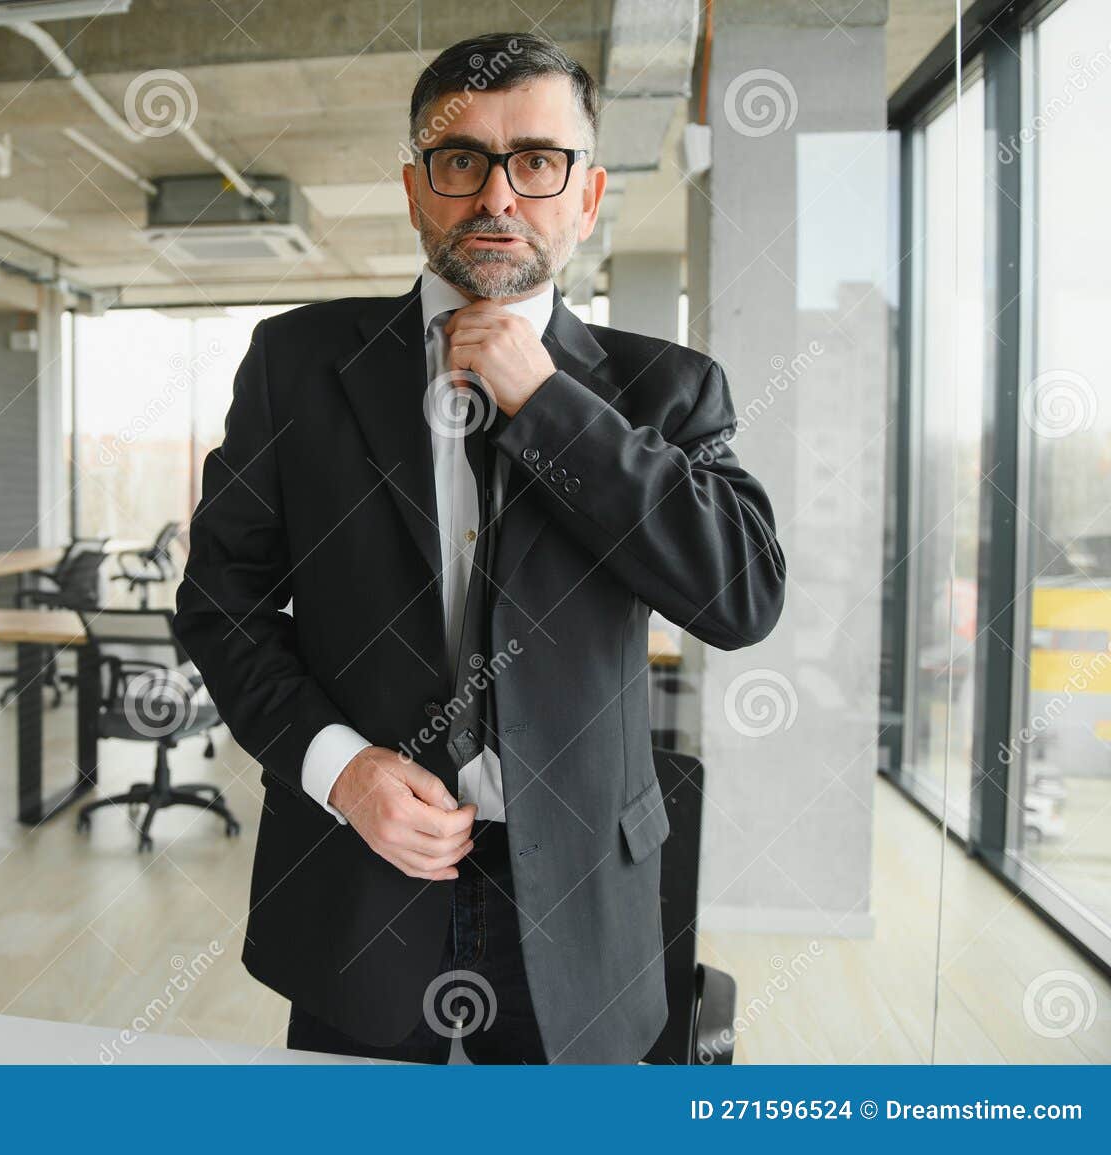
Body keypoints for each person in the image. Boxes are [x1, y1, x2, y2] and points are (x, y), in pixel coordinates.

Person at [173, 30, 786, 1064]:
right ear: (418, 191)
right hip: (360, 871)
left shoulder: (667, 389)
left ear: (584, 197)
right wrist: (340, 769)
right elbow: (220, 608)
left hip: (583, 898)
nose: (498, 197)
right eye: (462, 161)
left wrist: (546, 401)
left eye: (538, 162)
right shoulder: (295, 361)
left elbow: (740, 593)